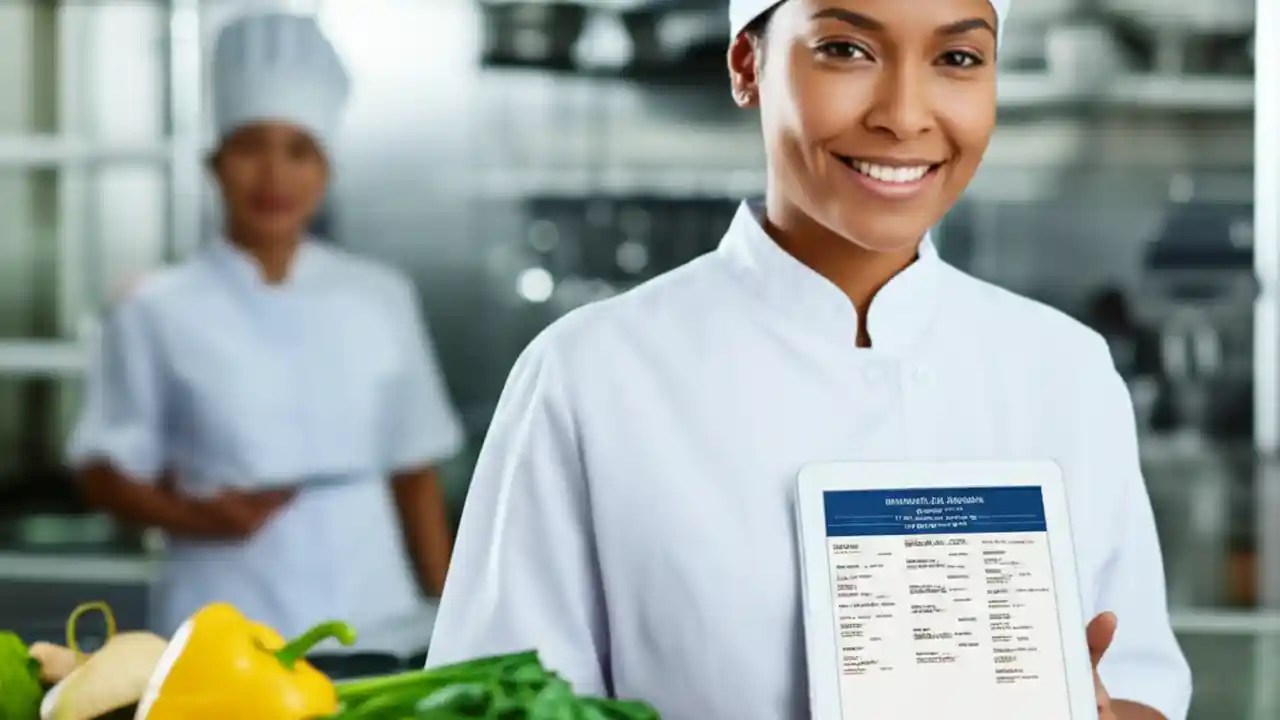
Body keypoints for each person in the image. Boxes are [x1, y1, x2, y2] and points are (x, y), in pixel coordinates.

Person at [429, 0, 1191, 718]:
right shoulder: (592, 372)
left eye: (958, 57)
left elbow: (1140, 682)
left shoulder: (1064, 368)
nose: (903, 114)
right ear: (746, 66)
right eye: (845, 49)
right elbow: (505, 696)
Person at [69, 14, 464, 658]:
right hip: (222, 613)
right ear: (215, 165)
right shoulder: (154, 308)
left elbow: (413, 470)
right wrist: (198, 518)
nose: (275, 176)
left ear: (326, 172)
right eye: (251, 146)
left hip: (376, 609)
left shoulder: (380, 296)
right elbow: (103, 475)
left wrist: (457, 612)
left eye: (299, 151)